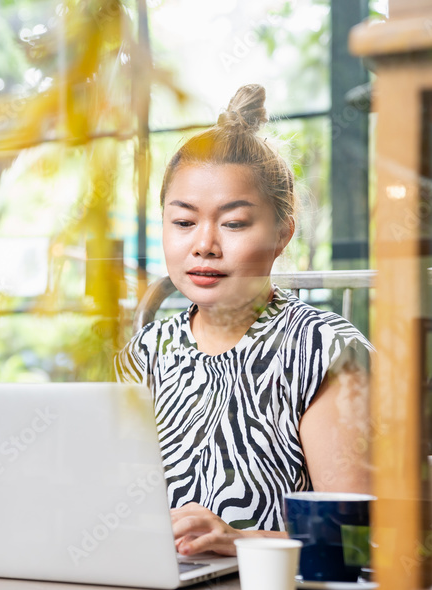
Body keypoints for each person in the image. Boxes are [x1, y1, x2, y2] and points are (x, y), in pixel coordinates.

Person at [115, 84, 371, 557]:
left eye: (233, 223)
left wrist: (238, 542)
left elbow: (359, 540)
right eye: (183, 222)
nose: (204, 244)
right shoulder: (146, 353)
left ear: (282, 233)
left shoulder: (324, 352)